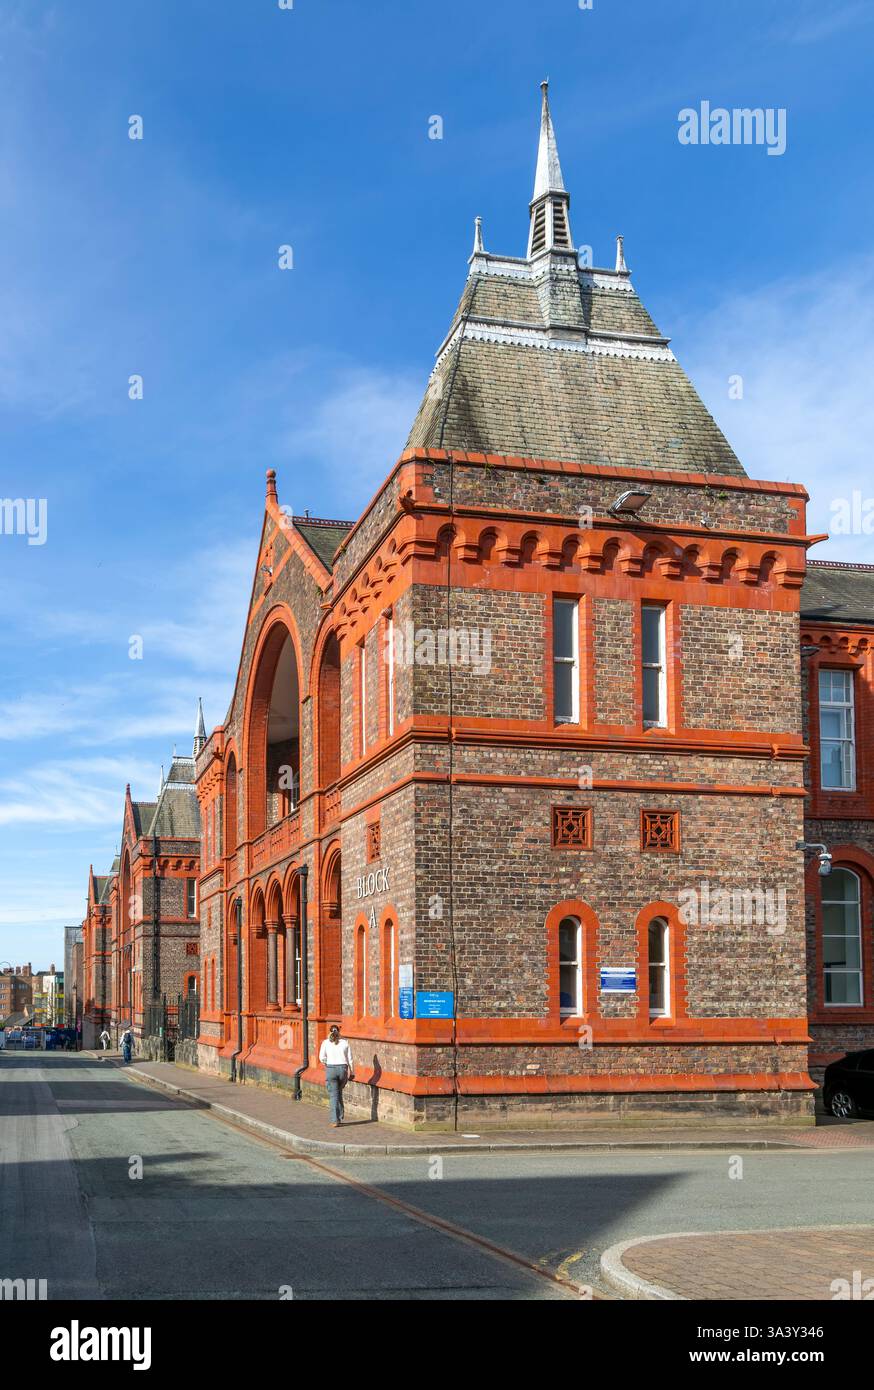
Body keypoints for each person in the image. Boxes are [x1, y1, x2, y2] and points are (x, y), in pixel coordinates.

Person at [318, 1024, 354, 1127]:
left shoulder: (325, 1043)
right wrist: (352, 1072)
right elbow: (350, 1059)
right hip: (343, 1069)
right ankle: (340, 1115)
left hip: (331, 1069)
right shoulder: (345, 1042)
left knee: (334, 1095)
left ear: (329, 1032)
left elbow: (321, 1057)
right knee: (338, 1092)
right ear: (339, 1032)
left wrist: (326, 1064)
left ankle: (335, 1120)